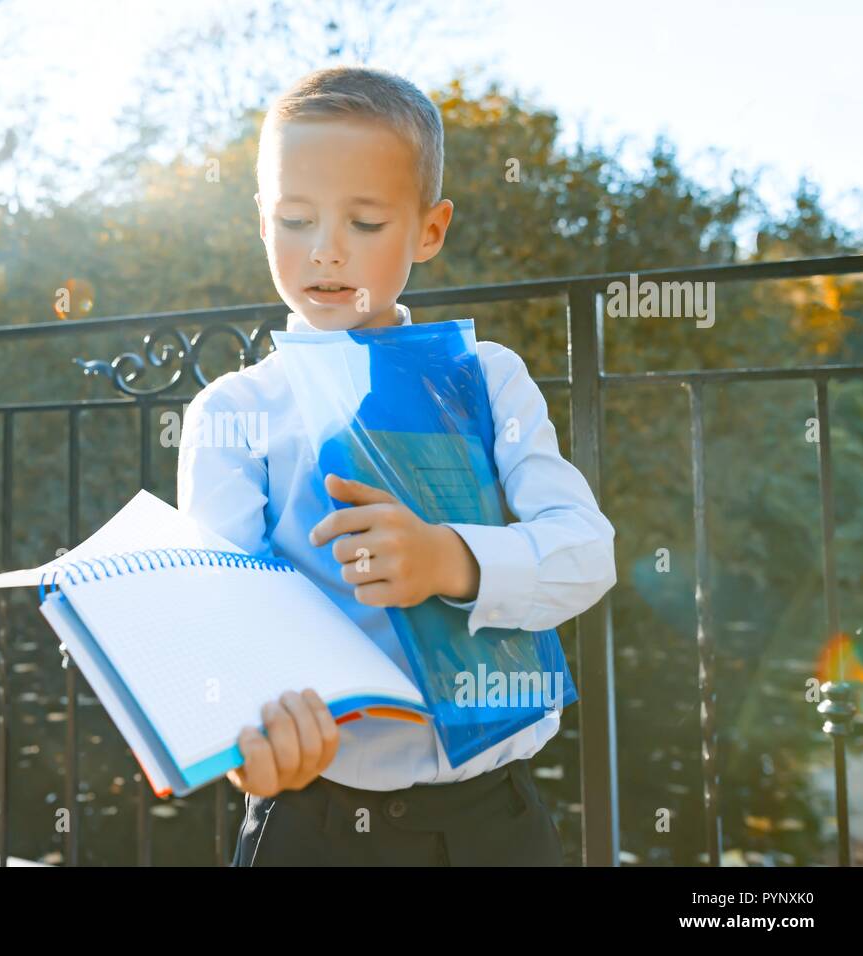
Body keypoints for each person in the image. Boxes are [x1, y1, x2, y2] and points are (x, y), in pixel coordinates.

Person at [176, 65, 617, 866]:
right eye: (295, 218)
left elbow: (587, 551)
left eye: (366, 222)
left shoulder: (487, 378)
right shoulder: (234, 411)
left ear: (429, 230)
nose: (325, 251)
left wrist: (452, 559)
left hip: (495, 823)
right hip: (311, 824)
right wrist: (246, 726)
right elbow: (223, 620)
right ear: (260, 222)